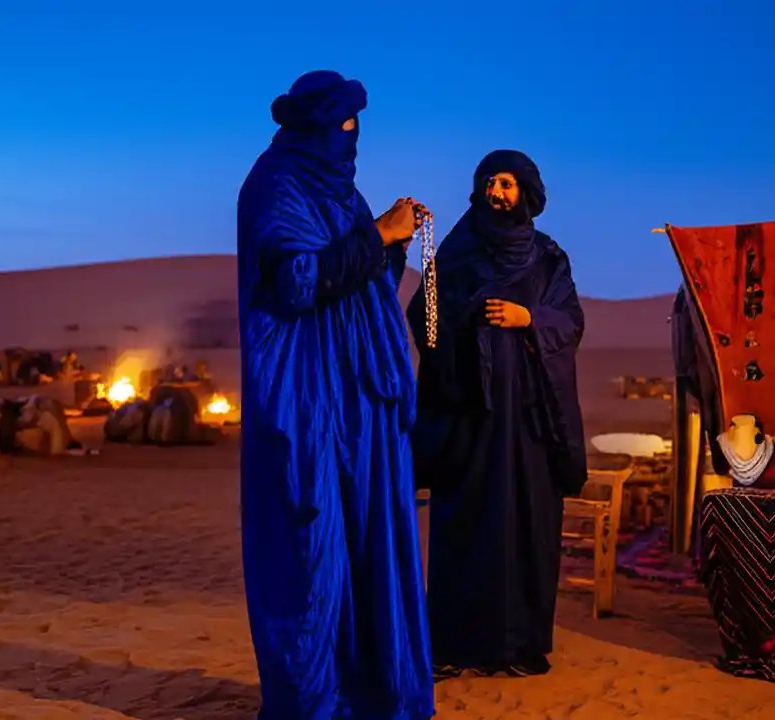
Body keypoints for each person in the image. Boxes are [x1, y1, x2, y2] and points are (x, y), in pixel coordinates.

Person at [236, 70, 435, 719]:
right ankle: (312, 702)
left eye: (356, 125)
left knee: (369, 546)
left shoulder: (340, 191)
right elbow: (296, 284)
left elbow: (360, 285)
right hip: (307, 402)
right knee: (313, 551)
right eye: (341, 125)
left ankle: (370, 692)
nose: (351, 137)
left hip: (359, 402)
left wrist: (391, 245)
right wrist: (376, 234)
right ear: (312, 127)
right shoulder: (274, 186)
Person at [407, 149, 587, 679]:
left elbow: (570, 322)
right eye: (490, 182)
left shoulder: (548, 258)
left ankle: (521, 647)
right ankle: (454, 645)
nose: (497, 192)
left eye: (507, 184)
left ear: (526, 192)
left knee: (528, 527)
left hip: (528, 419)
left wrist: (526, 316)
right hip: (471, 416)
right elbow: (425, 319)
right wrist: (467, 321)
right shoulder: (456, 253)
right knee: (465, 528)